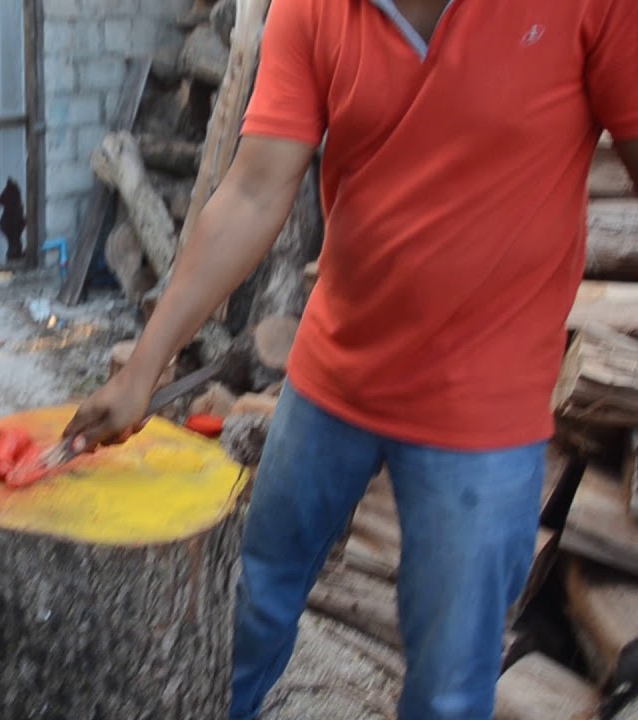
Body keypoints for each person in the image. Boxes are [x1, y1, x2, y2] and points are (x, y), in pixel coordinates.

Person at [64, 0, 638, 718]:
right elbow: (251, 191)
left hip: (484, 413)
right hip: (331, 379)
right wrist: (142, 367)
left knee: (450, 687)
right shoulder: (314, 9)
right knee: (251, 603)